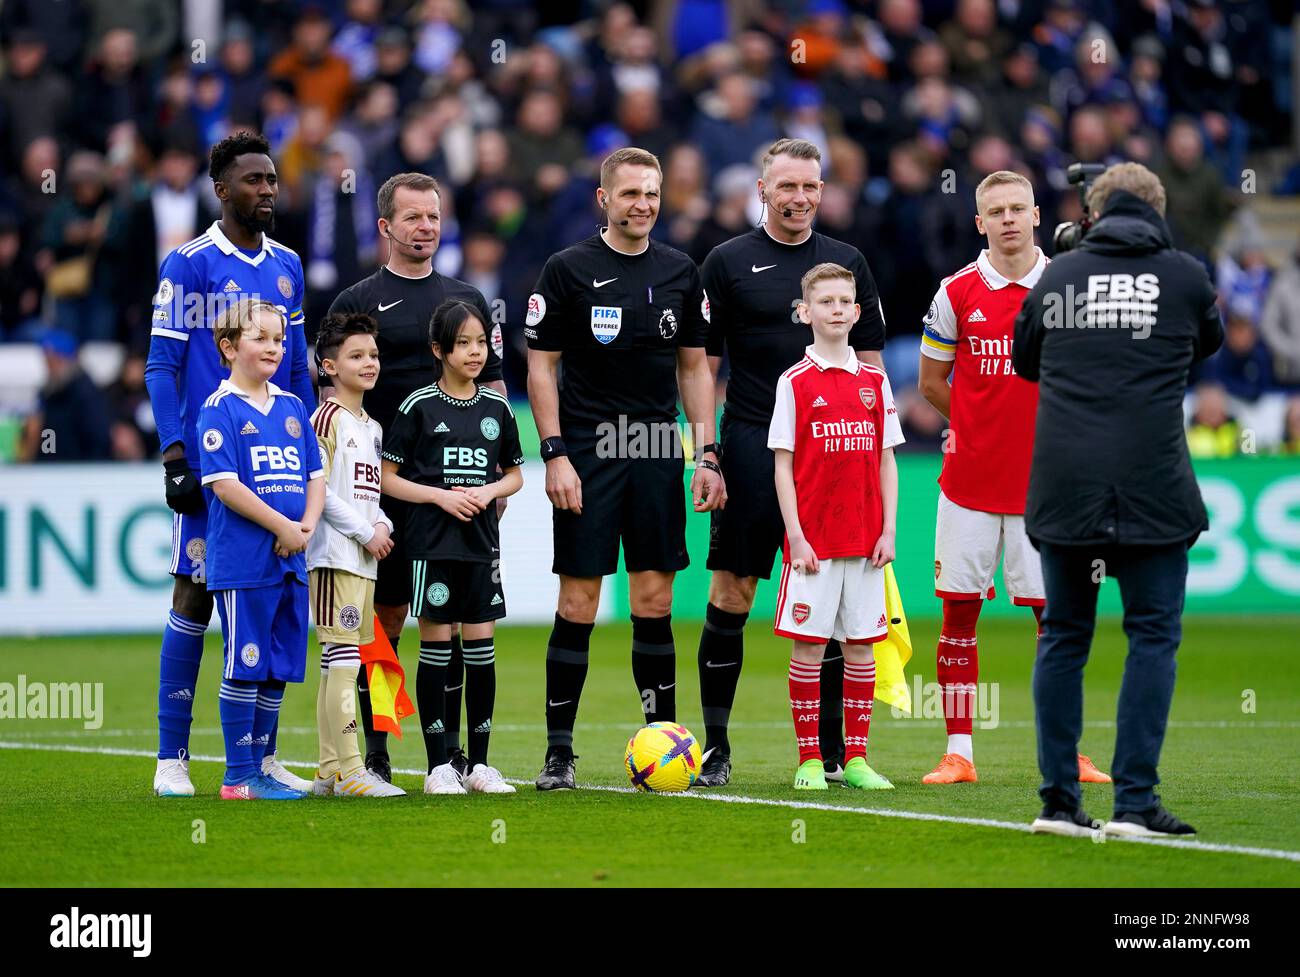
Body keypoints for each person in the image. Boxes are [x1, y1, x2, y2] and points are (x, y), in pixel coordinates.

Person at [1013, 162, 1223, 838]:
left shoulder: (1058, 276)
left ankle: (1057, 802)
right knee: (1153, 636)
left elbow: (1024, 358)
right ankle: (1135, 803)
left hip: (1065, 485)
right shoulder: (1186, 275)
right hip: (1153, 486)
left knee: (1065, 637)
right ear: (1158, 208)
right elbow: (1208, 344)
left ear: (1092, 212)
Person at [525, 146, 725, 790]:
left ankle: (664, 745)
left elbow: (695, 368)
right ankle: (560, 754)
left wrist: (706, 452)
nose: (643, 204)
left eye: (652, 193)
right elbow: (541, 366)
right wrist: (554, 453)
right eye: (631, 193)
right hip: (587, 445)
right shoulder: (568, 269)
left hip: (657, 445)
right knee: (579, 600)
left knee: (655, 598)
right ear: (604, 200)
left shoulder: (679, 270)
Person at [693, 138, 886, 788]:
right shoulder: (726, 261)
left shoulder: (847, 260)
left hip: (837, 456)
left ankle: (835, 754)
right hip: (751, 446)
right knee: (733, 591)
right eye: (788, 186)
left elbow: (874, 366)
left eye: (811, 186)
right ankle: (717, 747)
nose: (801, 197)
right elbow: (702, 366)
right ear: (762, 189)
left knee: (833, 603)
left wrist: (875, 456)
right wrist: (708, 454)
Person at [917, 170, 1111, 786]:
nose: (1006, 219)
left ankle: (1066, 751)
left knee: (1054, 620)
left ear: (1035, 215)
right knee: (959, 617)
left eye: (1016, 208)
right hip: (969, 486)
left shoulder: (1063, 285)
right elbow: (929, 382)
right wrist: (973, 426)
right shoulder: (956, 293)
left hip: (1044, 490)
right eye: (994, 210)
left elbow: (1088, 378)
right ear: (979, 222)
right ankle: (959, 753)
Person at [144, 131, 316, 798]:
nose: (267, 190)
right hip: (214, 463)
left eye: (272, 179)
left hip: (277, 460)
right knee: (193, 593)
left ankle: (262, 758)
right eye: (253, 181)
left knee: (273, 600)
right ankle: (172, 757)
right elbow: (163, 365)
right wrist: (174, 453)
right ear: (221, 190)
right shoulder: (188, 265)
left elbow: (296, 367)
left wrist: (307, 449)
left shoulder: (288, 266)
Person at [324, 171, 507, 783]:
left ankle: (453, 755)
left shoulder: (465, 299)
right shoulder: (356, 301)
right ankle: (374, 749)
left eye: (433, 216)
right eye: (412, 218)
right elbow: (327, 391)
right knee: (384, 623)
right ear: (385, 227)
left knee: (452, 625)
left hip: (456, 493)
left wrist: (491, 479)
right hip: (380, 488)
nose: (425, 227)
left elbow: (496, 389)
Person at [768, 262, 902, 791]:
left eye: (845, 301)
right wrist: (796, 536)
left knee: (861, 648)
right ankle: (808, 760)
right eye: (825, 302)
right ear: (806, 312)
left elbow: (888, 459)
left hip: (866, 542)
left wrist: (889, 529)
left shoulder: (875, 381)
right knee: (808, 647)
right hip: (814, 545)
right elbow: (782, 464)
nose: (837, 309)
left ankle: (857, 760)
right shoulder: (793, 383)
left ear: (858, 310)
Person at [382, 300, 523, 795]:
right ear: (439, 350)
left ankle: (478, 765)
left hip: (481, 544)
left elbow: (515, 475)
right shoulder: (417, 406)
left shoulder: (498, 408)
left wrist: (488, 492)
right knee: (437, 648)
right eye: (462, 343)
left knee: (481, 649)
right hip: (433, 545)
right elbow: (388, 477)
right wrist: (439, 496)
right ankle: (438, 764)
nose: (474, 352)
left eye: (481, 342)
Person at [196, 299, 325, 800]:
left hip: (292, 559)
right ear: (229, 347)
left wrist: (306, 527)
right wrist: (281, 525)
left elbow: (315, 477)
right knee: (245, 662)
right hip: (245, 563)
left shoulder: (293, 407)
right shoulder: (218, 408)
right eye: (261, 338)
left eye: (279, 338)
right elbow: (225, 485)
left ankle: (264, 765)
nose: (274, 346)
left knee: (277, 666)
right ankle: (238, 775)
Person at [306, 312, 405, 798]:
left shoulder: (372, 425)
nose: (370, 363)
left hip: (361, 558)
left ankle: (329, 771)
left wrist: (381, 522)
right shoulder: (325, 417)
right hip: (334, 555)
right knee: (343, 660)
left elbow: (367, 491)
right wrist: (367, 531)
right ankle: (349, 771)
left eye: (373, 355)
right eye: (356, 356)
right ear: (328, 366)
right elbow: (317, 490)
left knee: (338, 661)